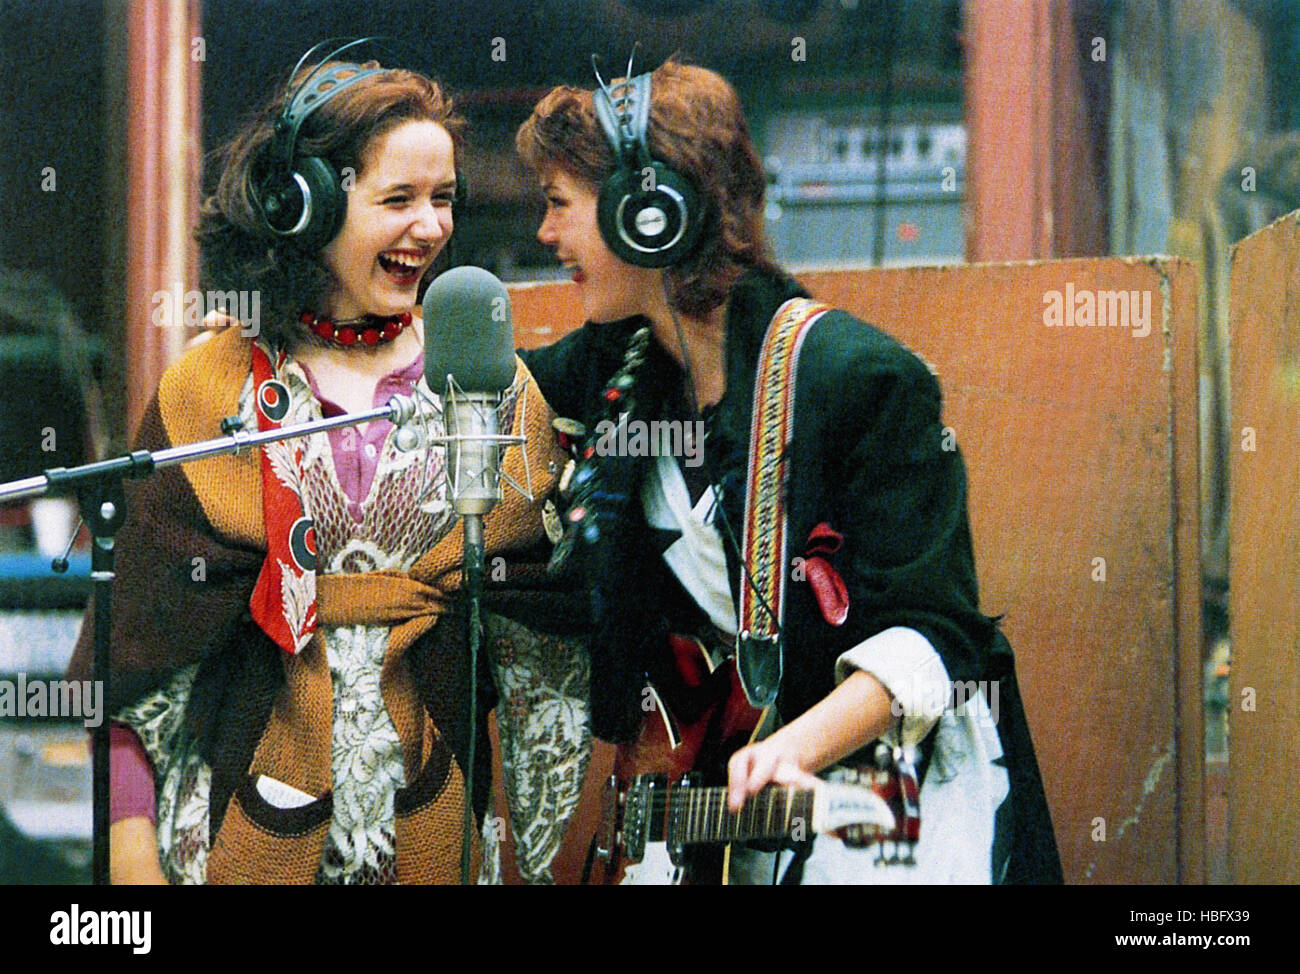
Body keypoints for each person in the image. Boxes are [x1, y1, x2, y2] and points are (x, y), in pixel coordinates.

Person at [516, 59, 1063, 884]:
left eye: (560, 204)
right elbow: (468, 378)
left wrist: (791, 749)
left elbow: (936, 630)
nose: (545, 236)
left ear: (648, 215)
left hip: (885, 818)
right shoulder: (618, 368)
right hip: (723, 830)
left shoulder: (858, 379)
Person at [67, 50, 589, 884]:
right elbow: (133, 662)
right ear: (303, 207)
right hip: (233, 837)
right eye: (399, 200)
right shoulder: (208, 391)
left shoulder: (491, 386)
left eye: (443, 198)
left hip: (435, 833)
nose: (431, 227)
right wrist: (131, 857)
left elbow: (547, 659)